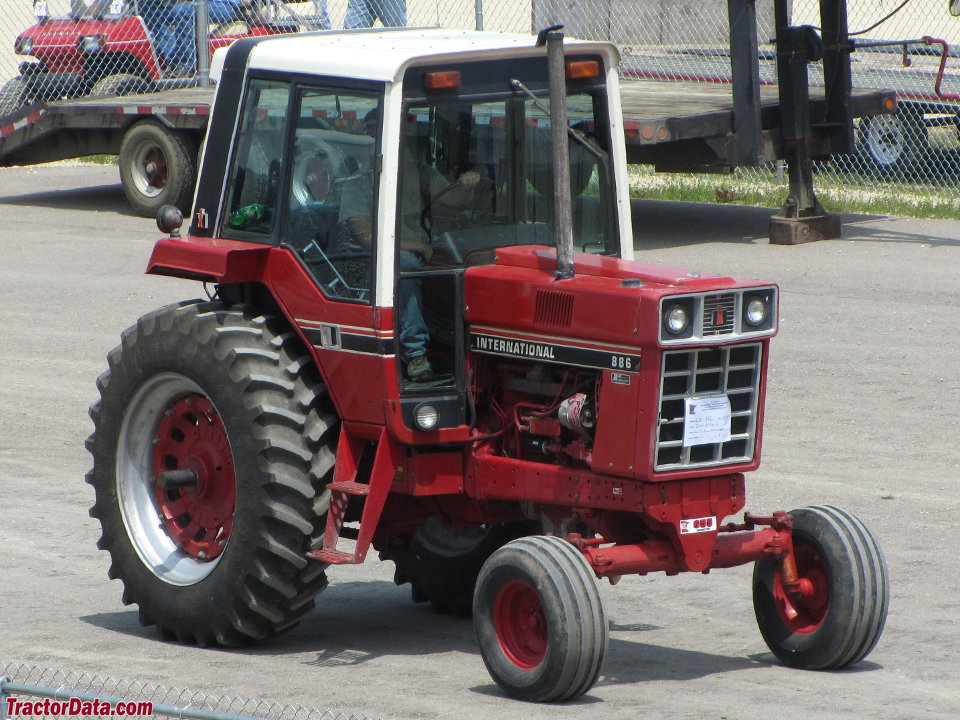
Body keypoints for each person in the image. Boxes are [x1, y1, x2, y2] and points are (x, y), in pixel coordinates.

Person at [336, 110, 478, 381]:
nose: (405, 139)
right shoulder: (357, 185)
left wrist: (467, 185)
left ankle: (457, 345)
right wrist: (419, 246)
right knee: (406, 267)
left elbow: (454, 199)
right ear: (375, 138)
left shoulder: (420, 172)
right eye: (397, 133)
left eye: (406, 133)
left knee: (465, 265)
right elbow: (368, 237)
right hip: (372, 264)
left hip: (421, 252)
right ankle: (415, 352)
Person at [163, 0, 244, 76]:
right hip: (199, 3)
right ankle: (172, 60)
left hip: (224, 6)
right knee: (159, 15)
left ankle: (186, 65)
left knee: (181, 10)